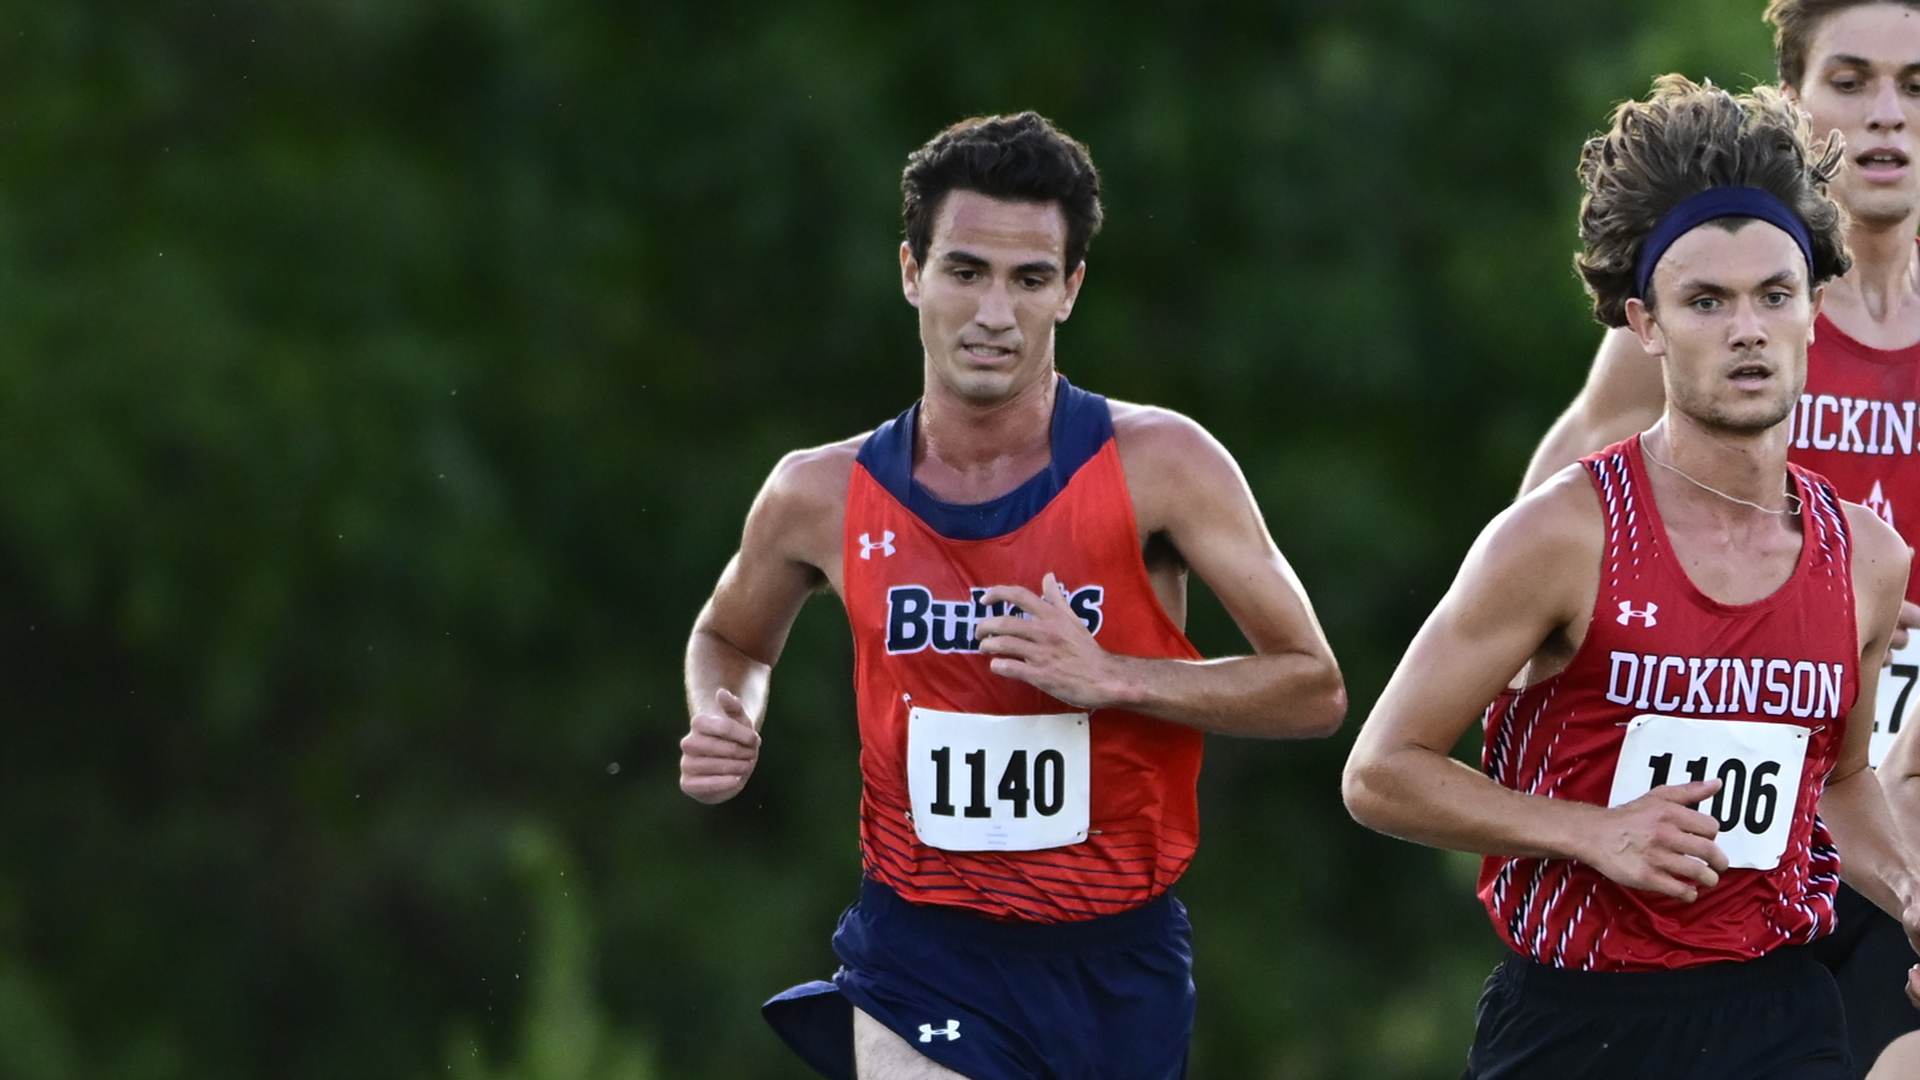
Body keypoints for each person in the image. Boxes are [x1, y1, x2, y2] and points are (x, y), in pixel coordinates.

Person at [678, 111, 1346, 1080]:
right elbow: (731, 636)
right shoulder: (817, 493)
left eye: (1029, 279)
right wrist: (725, 709)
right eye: (965, 272)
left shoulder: (1162, 466)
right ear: (911, 273)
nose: (994, 313)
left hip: (1115, 963)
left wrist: (1116, 676)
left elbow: (1313, 688)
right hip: (919, 952)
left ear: (1070, 291)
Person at [1342, 75, 1920, 1078]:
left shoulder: (1866, 558)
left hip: (1780, 1009)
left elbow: (1843, 779)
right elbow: (1382, 771)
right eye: (1707, 301)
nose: (1747, 329)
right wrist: (1586, 833)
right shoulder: (1561, 536)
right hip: (1575, 1019)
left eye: (1773, 296)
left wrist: (1914, 898)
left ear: (1812, 311)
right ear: (1645, 324)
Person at [1517, 4, 1920, 1074]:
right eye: (1852, 81)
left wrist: (1867, 601)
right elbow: (1552, 516)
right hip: (1710, 821)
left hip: (1889, 797)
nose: (1885, 119)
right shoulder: (1716, 309)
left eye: (1917, 88)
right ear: (1794, 102)